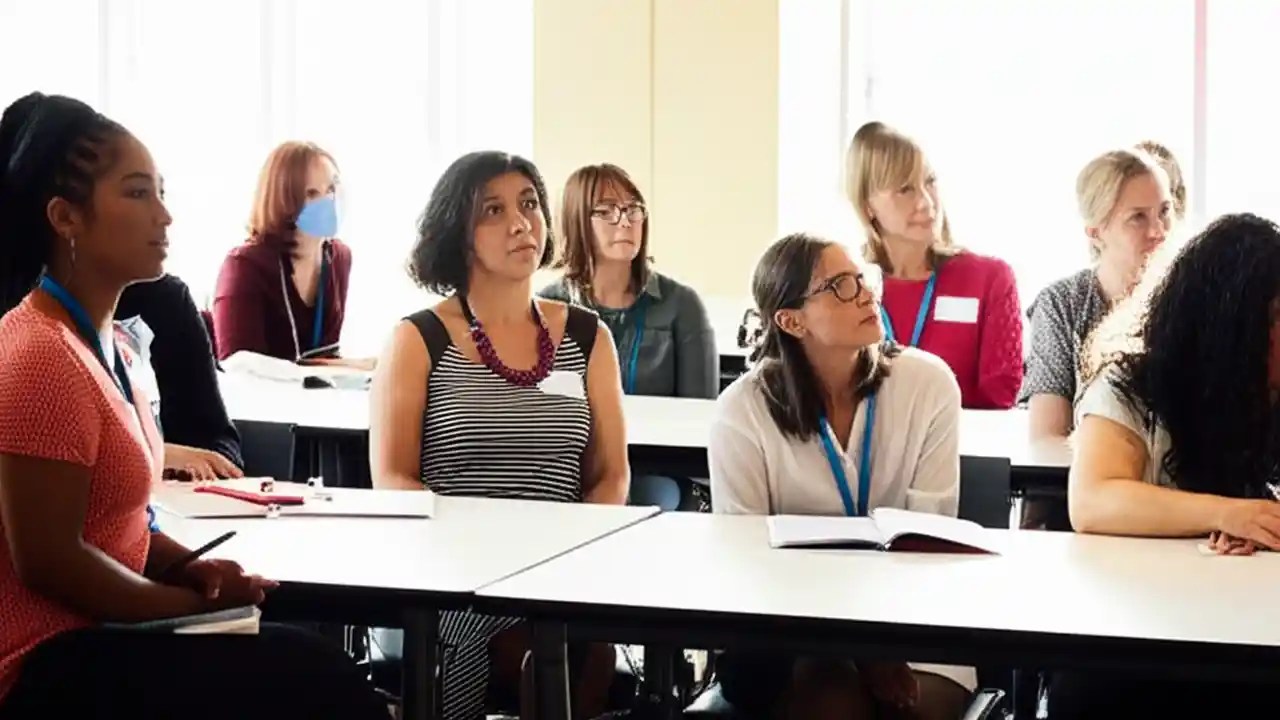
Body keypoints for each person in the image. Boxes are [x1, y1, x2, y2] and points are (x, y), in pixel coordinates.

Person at [0, 93, 389, 718]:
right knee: (317, 681)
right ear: (65, 218)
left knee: (312, 666)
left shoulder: (111, 347)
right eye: (136, 194)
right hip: (46, 661)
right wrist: (189, 606)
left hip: (105, 636)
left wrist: (197, 571)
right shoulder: (38, 355)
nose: (165, 216)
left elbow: (119, 526)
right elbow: (51, 561)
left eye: (160, 191)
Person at [368, 150, 628, 719]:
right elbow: (392, 476)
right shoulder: (419, 338)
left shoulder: (587, 335)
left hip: (561, 561)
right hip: (455, 567)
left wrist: (573, 544)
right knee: (532, 648)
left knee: (587, 649)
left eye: (530, 204)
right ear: (458, 235)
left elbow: (611, 474)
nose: (521, 222)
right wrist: (480, 550)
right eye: (494, 210)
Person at [709, 232, 973, 720]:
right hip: (800, 630)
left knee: (917, 711)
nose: (867, 292)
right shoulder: (741, 412)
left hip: (913, 621)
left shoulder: (927, 384)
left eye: (863, 277)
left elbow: (928, 541)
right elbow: (746, 568)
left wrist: (880, 644)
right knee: (830, 707)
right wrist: (860, 650)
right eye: (841, 286)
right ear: (791, 321)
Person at [1058, 213, 1280, 717]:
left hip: (1250, 623)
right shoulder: (1130, 385)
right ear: (1233, 326)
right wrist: (1226, 512)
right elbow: (1092, 501)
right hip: (1136, 629)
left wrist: (1257, 524)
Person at [540, 163, 716, 510]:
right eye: (606, 211)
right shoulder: (549, 306)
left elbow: (700, 421)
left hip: (655, 468)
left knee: (646, 503)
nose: (625, 220)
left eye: (633, 209)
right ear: (577, 220)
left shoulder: (682, 305)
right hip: (573, 466)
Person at [845, 121, 1022, 409]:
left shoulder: (989, 279)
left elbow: (1000, 394)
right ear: (868, 206)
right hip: (866, 452)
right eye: (905, 189)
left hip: (962, 449)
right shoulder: (848, 288)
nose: (926, 202)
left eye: (930, 181)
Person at [1020, 146, 1176, 440]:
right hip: (1084, 479)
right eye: (1138, 217)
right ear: (1096, 232)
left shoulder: (1193, 295)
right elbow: (1048, 436)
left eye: (1165, 211)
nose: (1158, 231)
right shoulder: (1062, 304)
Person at [211, 141, 371, 369]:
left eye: (331, 190)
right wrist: (350, 366)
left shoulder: (339, 258)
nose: (328, 202)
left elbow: (323, 354)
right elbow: (241, 369)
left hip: (308, 398)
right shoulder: (244, 265)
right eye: (312, 194)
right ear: (283, 201)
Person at [116, 273, 244, 480]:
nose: (165, 238)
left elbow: (216, 439)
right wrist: (157, 456)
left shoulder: (166, 298)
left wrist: (198, 466)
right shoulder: (48, 317)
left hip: (168, 503)